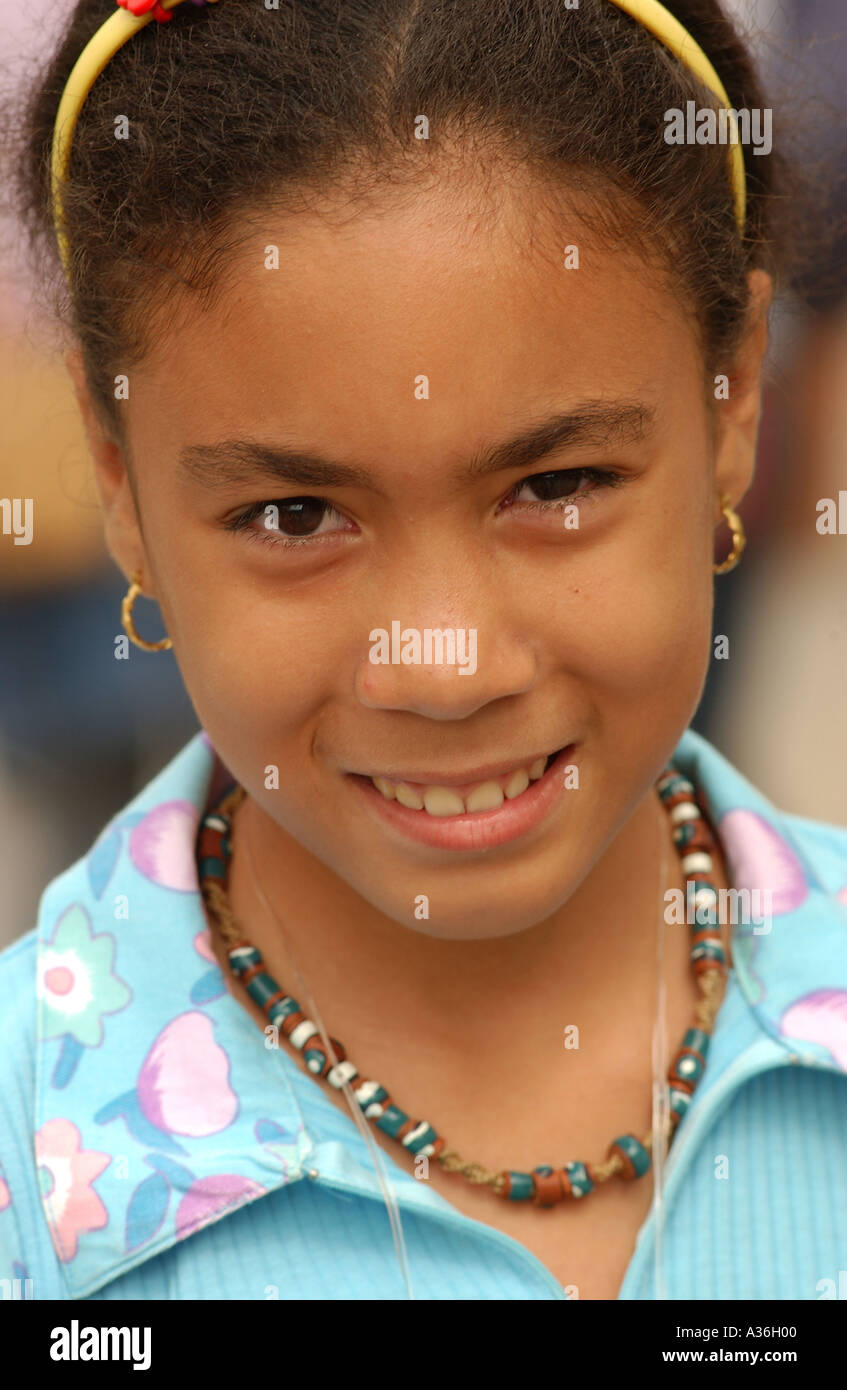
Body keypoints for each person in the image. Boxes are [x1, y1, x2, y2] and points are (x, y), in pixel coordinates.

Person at [0, 0, 845, 1303]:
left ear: (734, 395)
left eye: (557, 483)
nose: (447, 664)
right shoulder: (32, 1173)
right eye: (293, 516)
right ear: (121, 487)